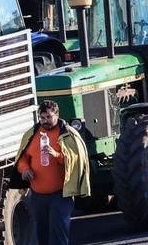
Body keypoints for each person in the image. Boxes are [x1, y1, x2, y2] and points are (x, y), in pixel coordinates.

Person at [14, 100, 90, 245]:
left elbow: (74, 162)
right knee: (41, 234)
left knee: (58, 232)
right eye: (42, 118)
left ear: (57, 115)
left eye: (49, 117)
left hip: (60, 195)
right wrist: (25, 170)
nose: (45, 121)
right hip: (38, 196)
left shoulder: (68, 134)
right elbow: (22, 159)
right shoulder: (31, 135)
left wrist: (56, 154)